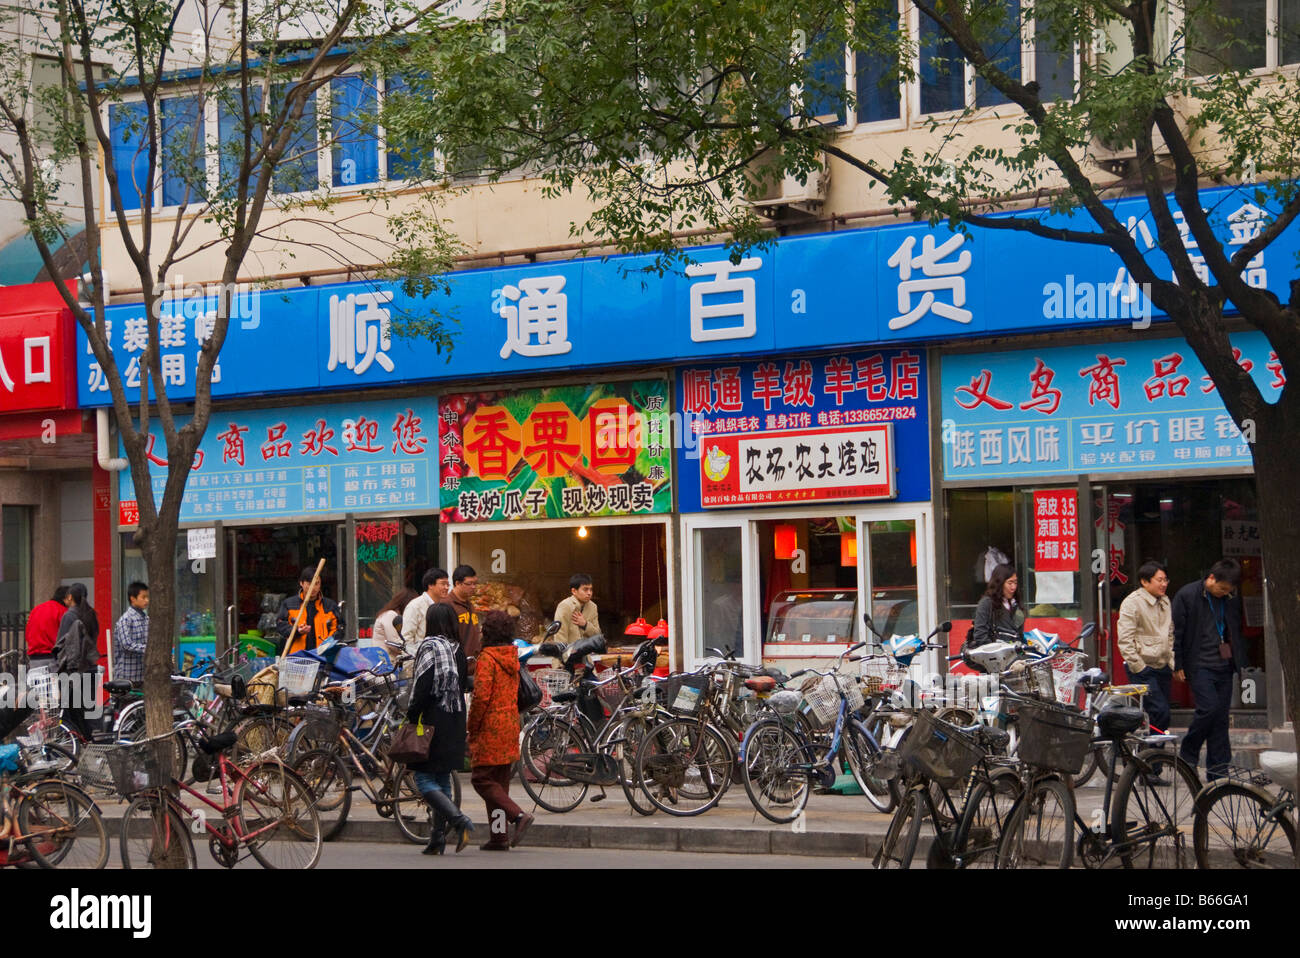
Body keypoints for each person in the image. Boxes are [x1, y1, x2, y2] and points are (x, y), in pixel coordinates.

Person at [406, 603, 474, 855]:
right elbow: (462, 685)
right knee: (442, 776)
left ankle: (459, 821)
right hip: (455, 717)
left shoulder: (429, 647)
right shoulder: (458, 649)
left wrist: (412, 713)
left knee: (422, 777)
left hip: (433, 718)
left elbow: (422, 687)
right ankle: (437, 839)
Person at [1173, 558, 1247, 779]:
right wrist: (1178, 664)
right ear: (1211, 578)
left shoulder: (1230, 598)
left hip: (1224, 664)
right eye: (1222, 588)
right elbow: (1176, 632)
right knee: (1208, 709)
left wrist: (1239, 662)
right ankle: (1188, 751)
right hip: (1199, 664)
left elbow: (1235, 630)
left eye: (1228, 590)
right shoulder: (1187, 595)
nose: (1224, 593)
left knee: (1221, 718)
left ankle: (1218, 770)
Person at [466, 610, 532, 850]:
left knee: (481, 779)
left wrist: (471, 727)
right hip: (510, 723)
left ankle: (518, 816)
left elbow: (481, 697)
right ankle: (499, 837)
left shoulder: (487, 658)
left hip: (490, 726)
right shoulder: (511, 657)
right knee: (499, 783)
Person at [1116, 561, 1174, 734]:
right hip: (1142, 668)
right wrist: (1139, 667)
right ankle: (1150, 755)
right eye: (1159, 580)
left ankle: (1151, 757)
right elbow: (1125, 640)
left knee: (1158, 716)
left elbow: (1170, 633)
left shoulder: (1165, 601)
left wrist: (1171, 661)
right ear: (1145, 582)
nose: (1164, 584)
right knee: (1160, 711)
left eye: (1165, 580)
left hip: (1162, 666)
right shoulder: (1132, 603)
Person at [54, 582, 100, 740]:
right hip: (90, 669)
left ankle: (75, 747)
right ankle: (88, 744)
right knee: (86, 713)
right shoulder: (92, 614)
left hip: (74, 671)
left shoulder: (69, 616)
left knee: (71, 714)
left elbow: (62, 645)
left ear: (70, 597)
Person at [276, 567, 344, 654]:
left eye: (317, 583)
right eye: (309, 583)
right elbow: (281, 626)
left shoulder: (330, 606)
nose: (313, 588)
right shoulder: (289, 604)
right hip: (297, 656)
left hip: (323, 656)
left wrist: (328, 643)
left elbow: (339, 628)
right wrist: (297, 630)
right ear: (301, 583)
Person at [969, 563, 1025, 647]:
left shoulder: (1015, 604)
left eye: (1015, 583)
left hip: (1016, 653)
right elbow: (980, 636)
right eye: (1010, 583)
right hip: (995, 655)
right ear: (999, 583)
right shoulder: (986, 603)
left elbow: (1019, 635)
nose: (1013, 587)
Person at [401, 568, 450, 650]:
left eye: (448, 584)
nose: (446, 587)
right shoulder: (415, 606)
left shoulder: (444, 606)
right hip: (419, 659)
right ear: (430, 585)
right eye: (443, 584)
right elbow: (406, 638)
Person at [441, 565, 482, 661]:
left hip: (474, 664)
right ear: (457, 583)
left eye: (475, 583)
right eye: (469, 583)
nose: (473, 587)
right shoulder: (445, 606)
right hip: (457, 665)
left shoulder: (470, 605)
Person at [112, 581, 150, 685]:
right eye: (143, 597)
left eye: (148, 597)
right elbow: (127, 645)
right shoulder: (126, 619)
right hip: (127, 677)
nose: (147, 600)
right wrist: (149, 649)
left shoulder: (146, 619)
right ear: (133, 598)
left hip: (143, 676)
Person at [25, 586, 70, 669]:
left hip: (34, 660)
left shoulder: (36, 609)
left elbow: (28, 633)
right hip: (53, 660)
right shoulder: (63, 611)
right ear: (68, 598)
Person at [553, 572, 600, 646]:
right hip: (568, 654)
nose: (589, 593)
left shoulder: (593, 606)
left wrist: (585, 624)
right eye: (585, 589)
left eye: (591, 590)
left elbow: (597, 635)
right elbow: (560, 636)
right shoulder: (565, 606)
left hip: (586, 654)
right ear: (574, 591)